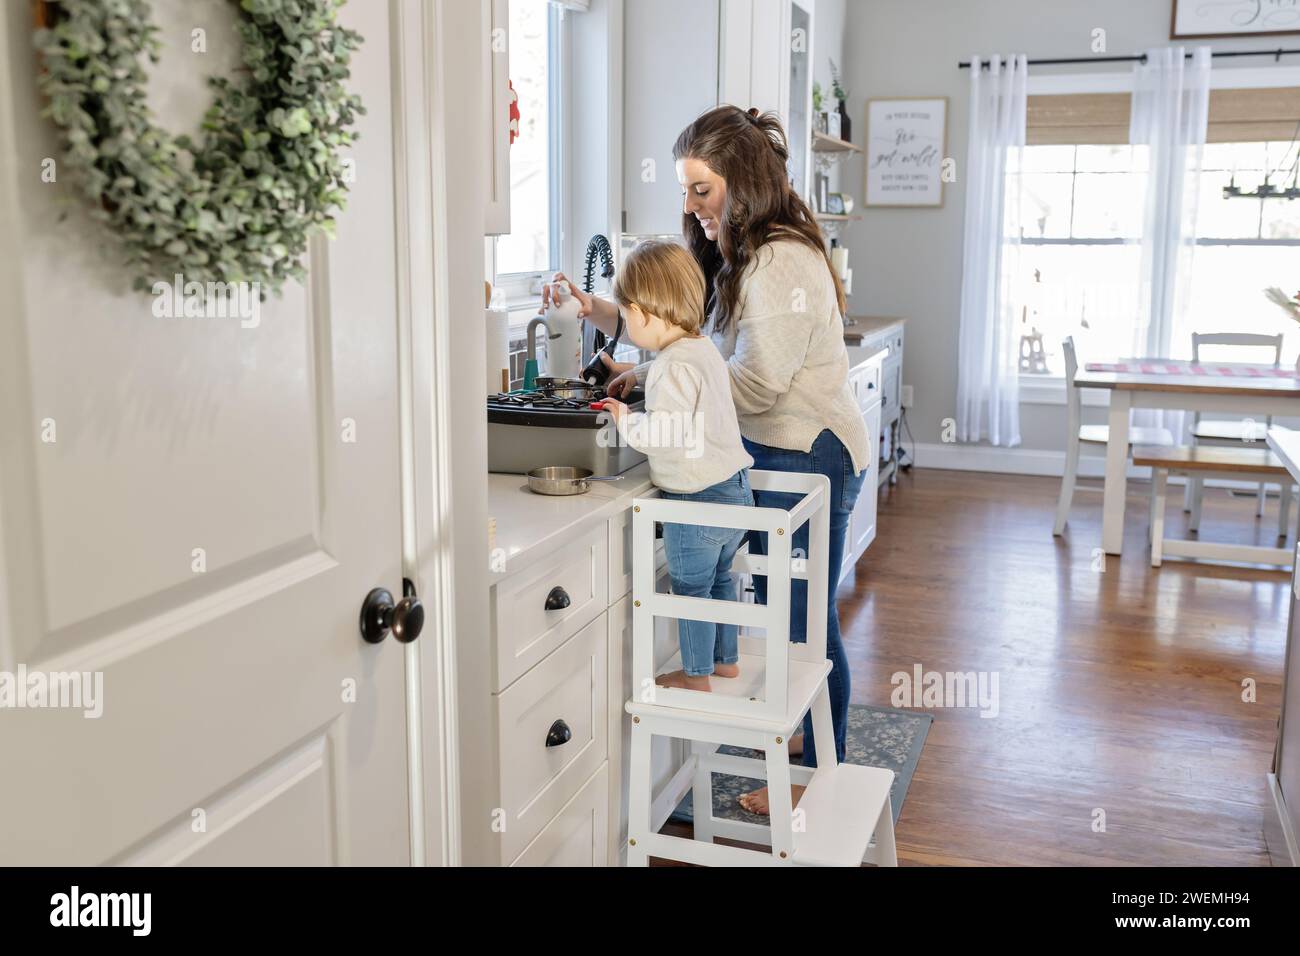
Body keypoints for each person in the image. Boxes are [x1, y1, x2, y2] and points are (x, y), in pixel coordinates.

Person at [543, 106, 868, 815]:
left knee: (806, 625)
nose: (689, 205)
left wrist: (660, 384)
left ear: (742, 184)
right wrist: (593, 307)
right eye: (686, 189)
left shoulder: (780, 261)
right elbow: (664, 320)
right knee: (786, 615)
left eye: (702, 189)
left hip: (811, 451)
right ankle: (801, 749)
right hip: (771, 449)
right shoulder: (740, 248)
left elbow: (751, 384)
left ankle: (820, 776)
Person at [599, 240, 754, 692]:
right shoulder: (700, 347)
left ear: (644, 313)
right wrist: (639, 373)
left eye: (626, 317)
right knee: (721, 579)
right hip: (734, 491)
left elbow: (664, 433)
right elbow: (681, 374)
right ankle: (725, 660)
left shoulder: (671, 369)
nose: (627, 325)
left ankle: (695, 676)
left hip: (698, 501)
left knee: (692, 591)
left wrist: (625, 420)